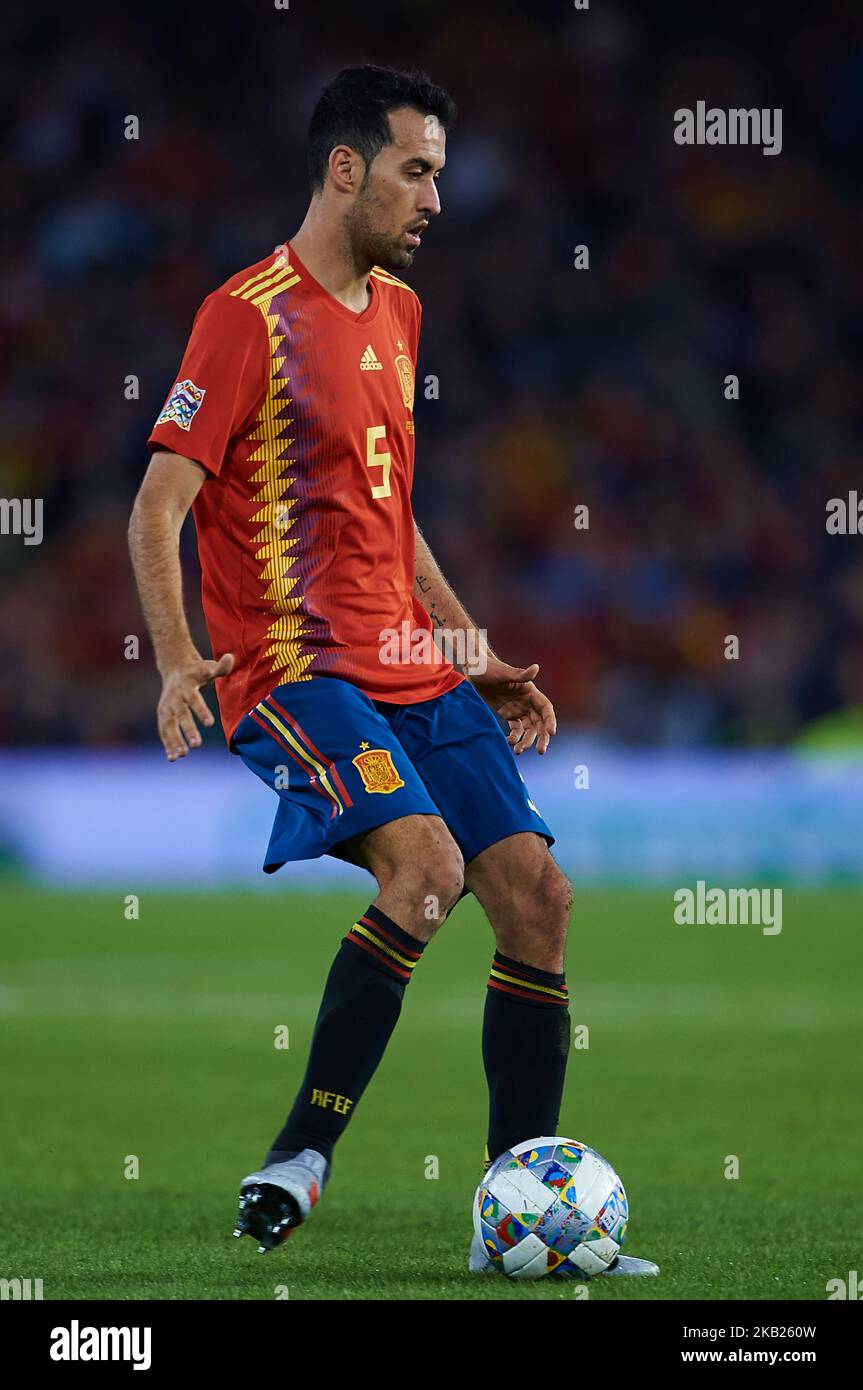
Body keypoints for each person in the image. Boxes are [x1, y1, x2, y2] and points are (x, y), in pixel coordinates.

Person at [128, 63, 656, 1277]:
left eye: (439, 175)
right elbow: (155, 511)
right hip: (297, 667)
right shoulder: (244, 315)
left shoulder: (399, 314)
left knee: (535, 895)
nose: (433, 199)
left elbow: (391, 511)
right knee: (423, 869)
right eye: (416, 171)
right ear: (344, 168)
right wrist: (173, 661)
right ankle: (301, 1152)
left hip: (415, 666)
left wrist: (473, 653)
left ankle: (513, 1216)